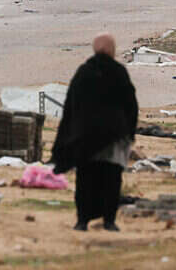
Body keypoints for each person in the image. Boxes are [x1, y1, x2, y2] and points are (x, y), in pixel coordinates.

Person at [51, 34, 138, 232]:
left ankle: (82, 221)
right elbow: (131, 105)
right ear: (112, 49)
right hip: (113, 140)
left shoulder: (84, 72)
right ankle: (109, 221)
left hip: (85, 139)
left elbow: (70, 106)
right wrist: (129, 133)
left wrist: (67, 136)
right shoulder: (118, 72)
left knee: (86, 180)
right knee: (111, 179)